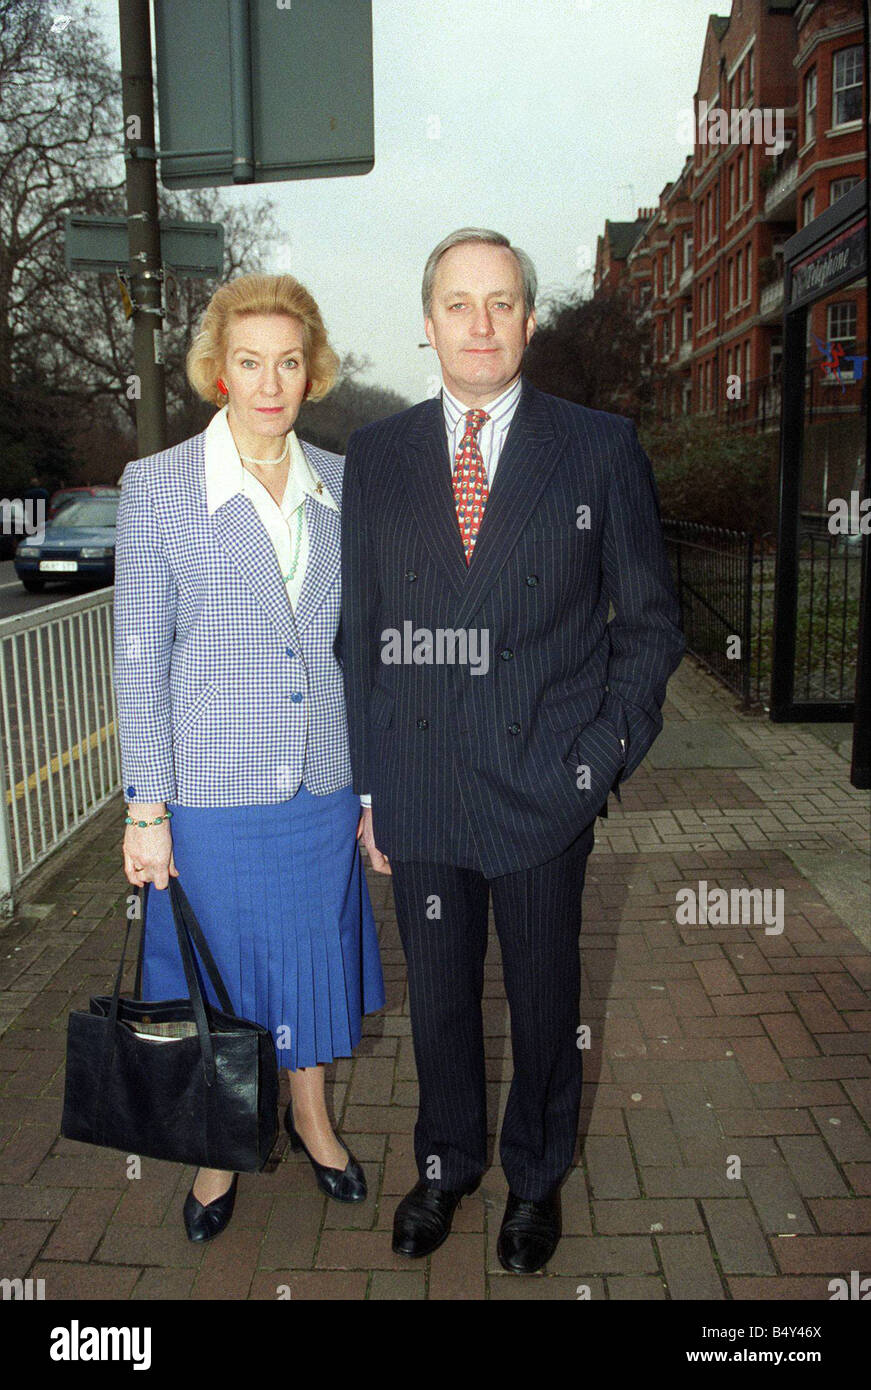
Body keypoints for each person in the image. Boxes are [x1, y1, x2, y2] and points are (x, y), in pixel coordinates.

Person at [341, 228, 684, 1274]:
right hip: (424, 790)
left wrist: (597, 759)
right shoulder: (378, 455)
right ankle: (446, 1164)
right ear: (430, 322)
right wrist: (369, 787)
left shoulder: (596, 447)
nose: (480, 323)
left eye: (501, 302)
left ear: (528, 320)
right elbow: (361, 631)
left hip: (545, 792)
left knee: (543, 1003)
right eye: (458, 303)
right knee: (439, 1004)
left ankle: (535, 1179)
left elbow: (650, 622)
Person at [114, 273, 385, 1243]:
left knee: (309, 964)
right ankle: (213, 1152)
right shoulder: (159, 488)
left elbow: (364, 647)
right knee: (215, 978)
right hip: (211, 794)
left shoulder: (348, 486)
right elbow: (139, 654)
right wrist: (146, 809)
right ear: (216, 371)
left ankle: (311, 1118)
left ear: (311, 372)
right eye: (248, 361)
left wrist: (372, 790)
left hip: (318, 786)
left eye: (288, 361)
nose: (269, 382)